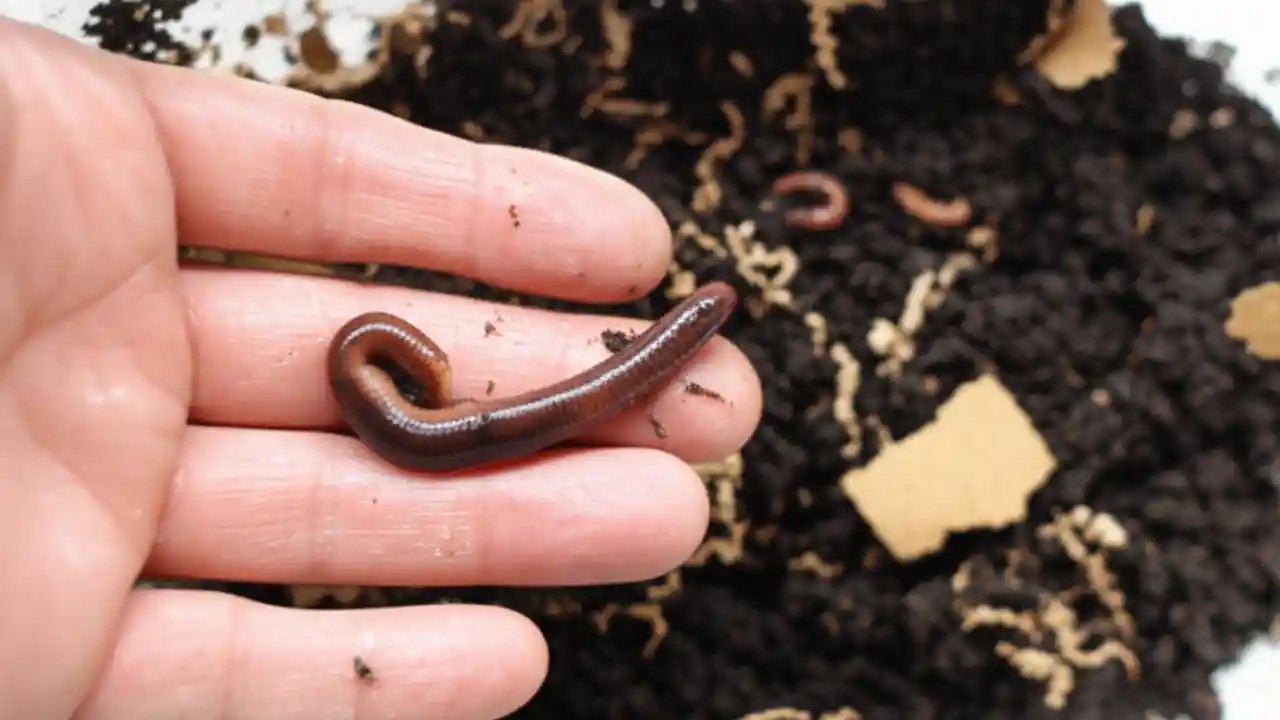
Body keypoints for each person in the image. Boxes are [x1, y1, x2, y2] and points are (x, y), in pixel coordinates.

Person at [0, 17, 761, 720]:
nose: (437, 377)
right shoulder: (384, 379)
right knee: (557, 410)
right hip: (397, 401)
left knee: (550, 412)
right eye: (430, 376)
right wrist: (428, 394)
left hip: (400, 403)